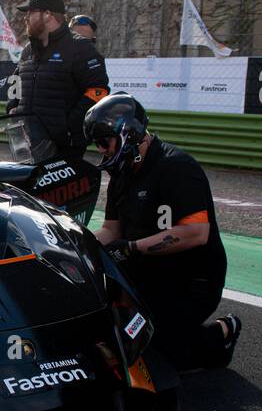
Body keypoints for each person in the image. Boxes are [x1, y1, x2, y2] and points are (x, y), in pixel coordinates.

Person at [86, 93, 241, 371]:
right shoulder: (122, 173)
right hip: (146, 272)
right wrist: (79, 243)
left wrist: (131, 248)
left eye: (103, 142)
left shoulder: (178, 168)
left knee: (156, 355)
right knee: (104, 333)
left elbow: (195, 233)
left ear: (128, 133)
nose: (101, 150)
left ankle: (222, 333)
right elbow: (111, 230)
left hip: (191, 279)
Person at [5, 0, 109, 162]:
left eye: (31, 13)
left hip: (64, 146)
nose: (26, 18)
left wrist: (69, 126)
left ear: (47, 15)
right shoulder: (28, 50)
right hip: (27, 143)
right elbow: (15, 82)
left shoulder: (80, 48)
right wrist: (12, 109)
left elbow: (99, 91)